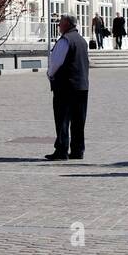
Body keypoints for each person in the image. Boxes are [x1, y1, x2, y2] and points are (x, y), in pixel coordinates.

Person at [46, 14, 90, 161]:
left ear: (67, 24)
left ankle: (62, 150)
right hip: (82, 86)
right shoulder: (82, 41)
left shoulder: (65, 40)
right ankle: (78, 150)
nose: (58, 26)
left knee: (63, 119)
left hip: (66, 86)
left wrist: (50, 75)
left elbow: (56, 62)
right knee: (79, 120)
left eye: (60, 23)